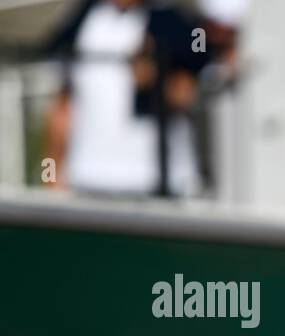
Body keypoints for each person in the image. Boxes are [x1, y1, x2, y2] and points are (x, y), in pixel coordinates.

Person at [41, 0, 209, 197]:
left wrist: (157, 78)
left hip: (155, 183)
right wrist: (50, 177)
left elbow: (188, 92)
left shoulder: (173, 20)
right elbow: (61, 110)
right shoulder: (82, 19)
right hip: (89, 180)